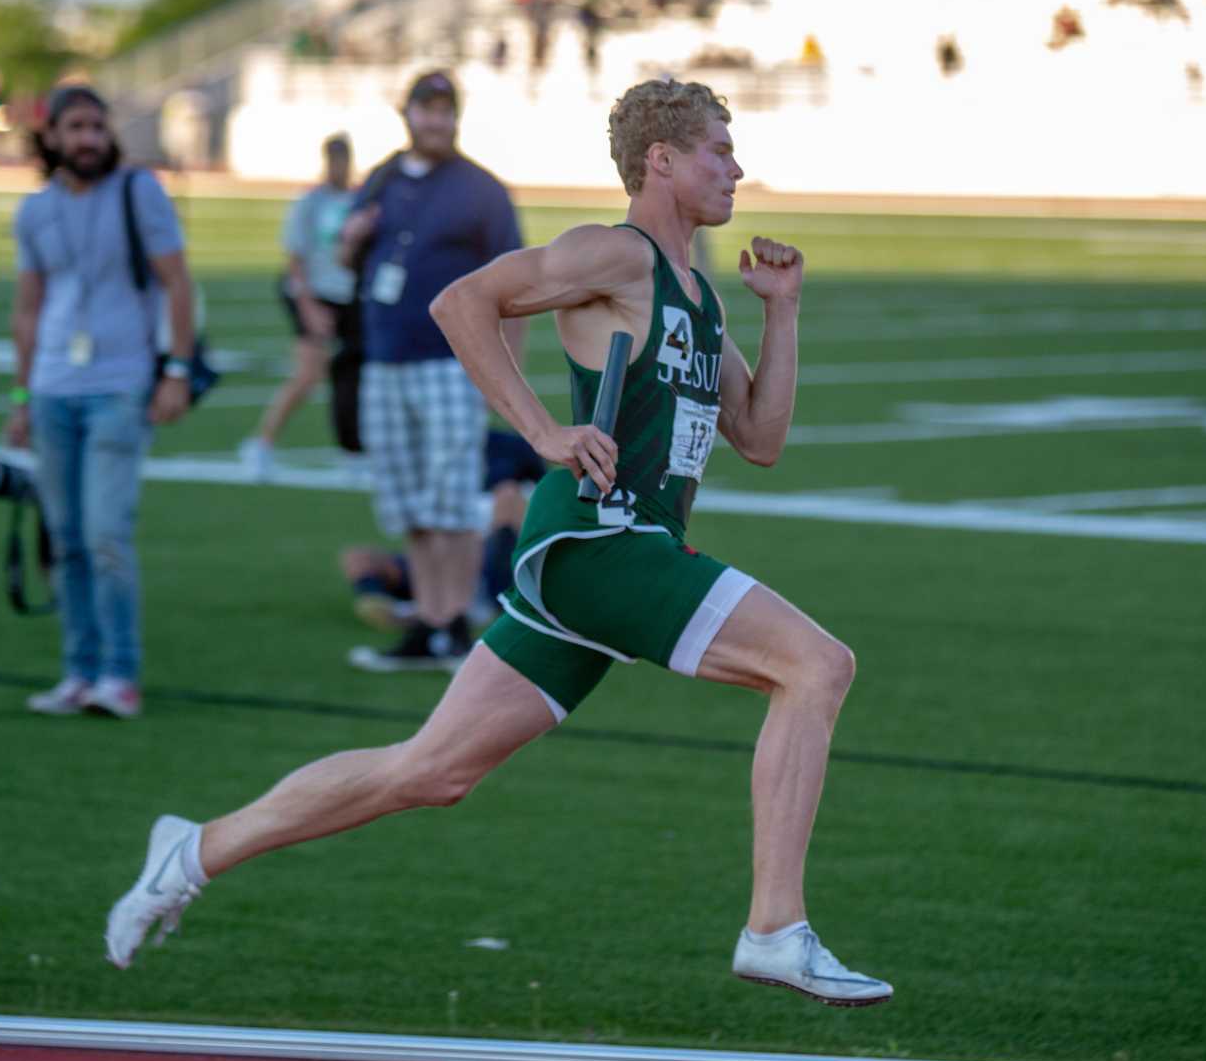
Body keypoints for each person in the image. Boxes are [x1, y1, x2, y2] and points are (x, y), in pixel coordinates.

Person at [104, 78, 891, 1007]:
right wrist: (542, 432)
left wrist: (785, 309)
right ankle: (775, 928)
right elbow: (462, 303)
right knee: (816, 666)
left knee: (430, 772)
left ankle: (193, 850)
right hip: (604, 542)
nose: (737, 166)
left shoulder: (699, 298)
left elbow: (759, 439)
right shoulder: (615, 254)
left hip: (598, 563)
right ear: (662, 160)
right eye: (719, 148)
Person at [7, 85, 199, 722]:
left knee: (106, 535)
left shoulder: (137, 191)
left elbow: (177, 283)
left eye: (97, 125)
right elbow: (29, 308)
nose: (88, 138)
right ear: (52, 135)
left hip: (121, 385)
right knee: (64, 541)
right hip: (53, 389)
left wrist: (175, 369)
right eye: (75, 127)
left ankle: (120, 673)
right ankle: (77, 671)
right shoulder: (35, 211)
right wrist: (21, 393)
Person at [336, 71, 525, 673]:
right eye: (427, 109)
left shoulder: (481, 190)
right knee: (408, 501)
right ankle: (427, 619)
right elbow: (345, 260)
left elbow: (516, 284)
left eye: (446, 110)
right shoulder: (383, 178)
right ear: (407, 113)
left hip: (451, 361)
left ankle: (453, 622)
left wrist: (505, 376)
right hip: (384, 360)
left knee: (450, 502)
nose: (436, 121)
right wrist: (352, 239)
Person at [241, 133, 362, 476]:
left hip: (349, 296)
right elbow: (295, 258)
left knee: (352, 376)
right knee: (307, 374)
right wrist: (308, 305)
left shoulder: (358, 200)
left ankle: (352, 450)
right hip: (316, 293)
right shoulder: (310, 203)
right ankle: (261, 443)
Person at [341, 429, 545, 631]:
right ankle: (397, 606)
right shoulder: (429, 446)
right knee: (357, 558)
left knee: (508, 497)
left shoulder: (512, 446)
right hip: (441, 549)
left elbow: (542, 495)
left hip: (490, 545)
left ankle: (486, 600)